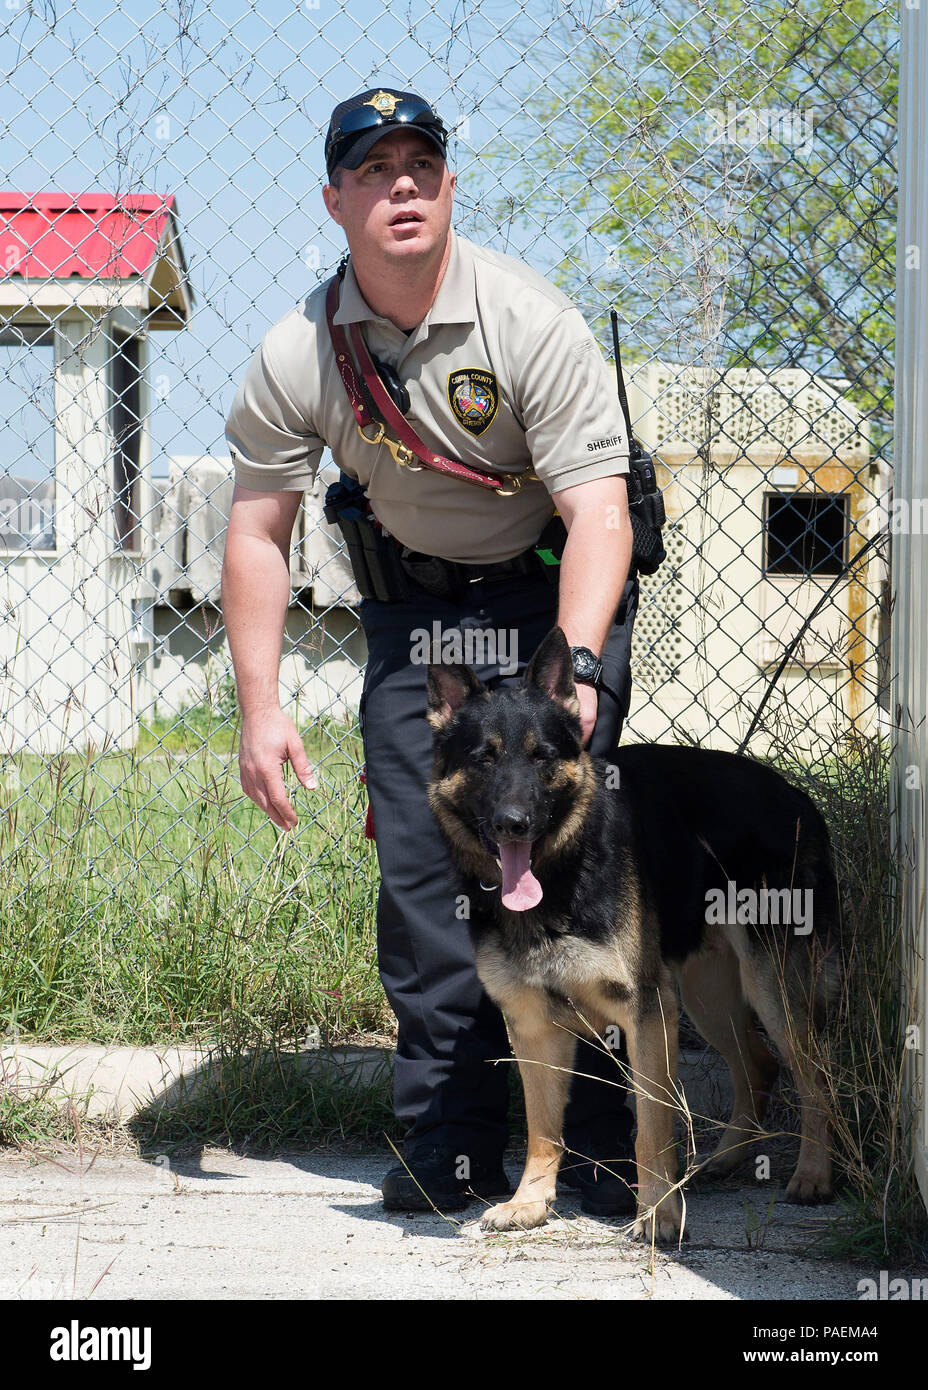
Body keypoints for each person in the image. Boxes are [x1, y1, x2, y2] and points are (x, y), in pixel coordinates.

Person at [221, 87, 640, 1216]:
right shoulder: (297, 349)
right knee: (422, 875)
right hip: (420, 620)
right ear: (335, 199)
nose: (400, 185)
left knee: (577, 876)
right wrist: (260, 707)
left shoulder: (526, 319)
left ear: (449, 187)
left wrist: (587, 666)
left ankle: (601, 1155)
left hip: (553, 607)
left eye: (421, 165)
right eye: (373, 169)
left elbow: (601, 514)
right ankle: (450, 1150)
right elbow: (257, 532)